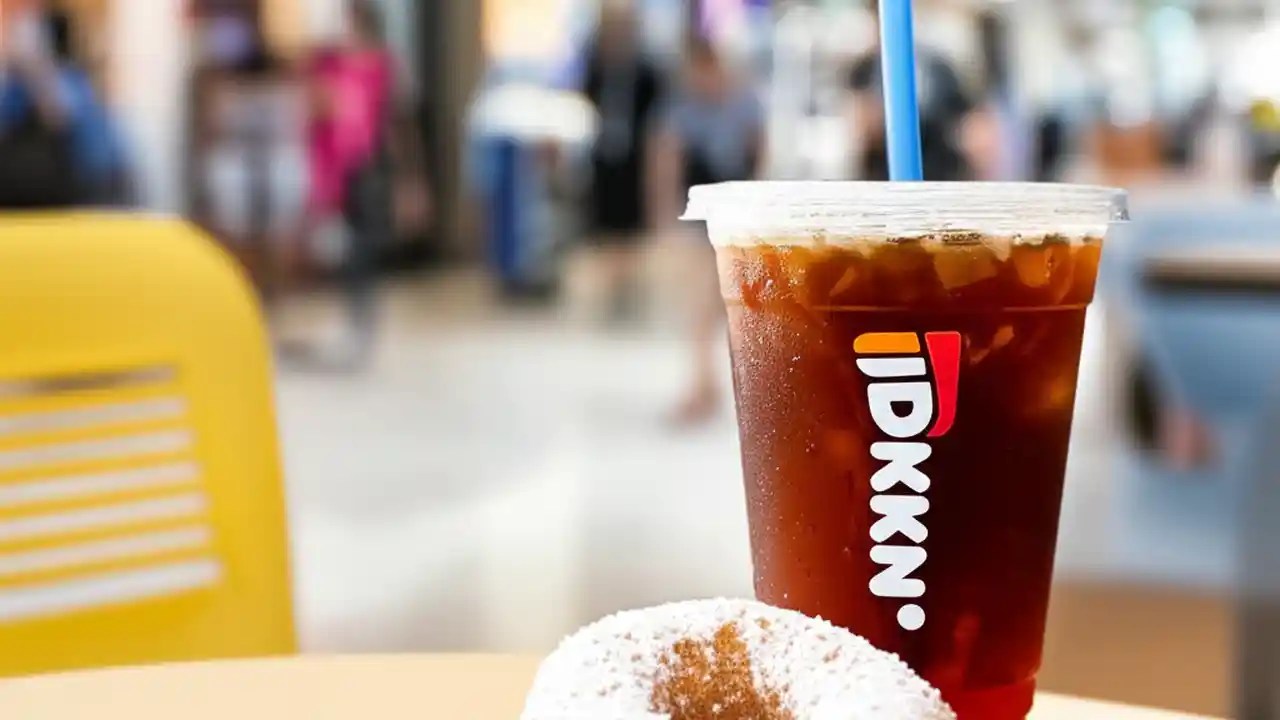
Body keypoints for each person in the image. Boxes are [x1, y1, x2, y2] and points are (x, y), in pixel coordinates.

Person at [649, 38, 765, 425]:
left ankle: (716, 384)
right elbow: (665, 159)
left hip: (736, 213)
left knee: (727, 306)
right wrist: (664, 216)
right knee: (700, 304)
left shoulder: (744, 103)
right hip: (697, 217)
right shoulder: (682, 109)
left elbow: (759, 150)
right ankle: (702, 382)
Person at [298, 0, 397, 369]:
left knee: (364, 246)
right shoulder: (325, 63)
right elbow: (314, 108)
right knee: (341, 247)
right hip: (332, 169)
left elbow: (387, 119)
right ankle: (350, 319)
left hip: (366, 165)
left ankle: (363, 318)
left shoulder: (380, 65)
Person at [581, 2, 664, 321]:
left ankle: (627, 288)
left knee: (630, 225)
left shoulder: (647, 71)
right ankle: (611, 288)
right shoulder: (595, 66)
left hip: (635, 157)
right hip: (603, 156)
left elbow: (656, 117)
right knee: (605, 224)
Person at [0, 5, 128, 207]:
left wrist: (35, 68)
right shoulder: (11, 87)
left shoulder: (71, 80)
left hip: (78, 195)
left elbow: (64, 118)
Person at [846, 8, 977, 182]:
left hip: (939, 170)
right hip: (883, 174)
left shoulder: (937, 66)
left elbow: (966, 120)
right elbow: (861, 125)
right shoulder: (865, 69)